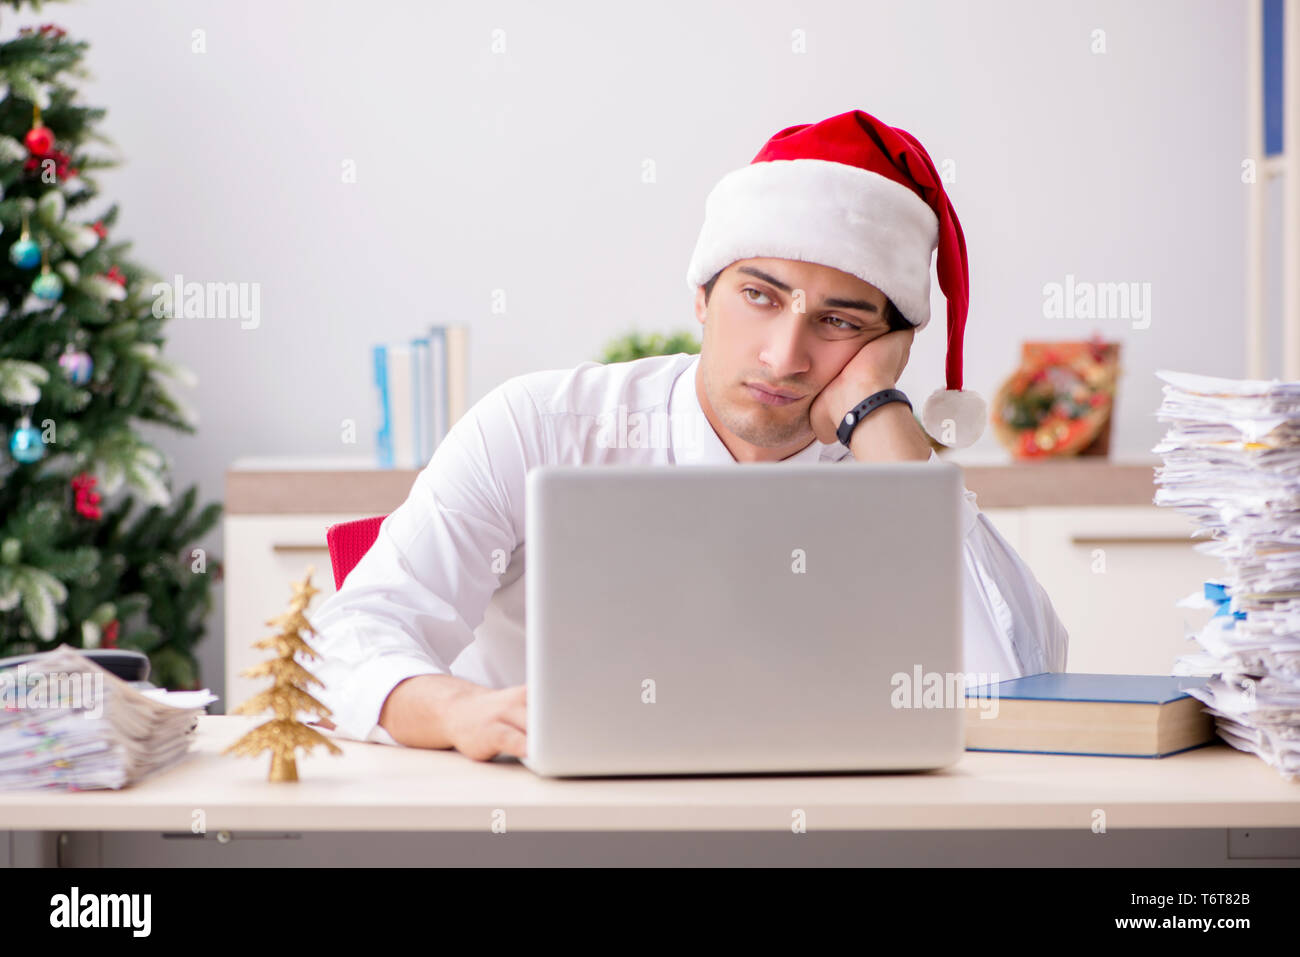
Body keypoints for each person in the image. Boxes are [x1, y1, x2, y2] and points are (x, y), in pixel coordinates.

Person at [305, 109, 1069, 761]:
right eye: (758, 295)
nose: (783, 355)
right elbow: (355, 633)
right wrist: (456, 711)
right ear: (702, 295)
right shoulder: (539, 427)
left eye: (839, 320)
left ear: (889, 345)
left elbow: (1018, 698)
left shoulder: (881, 458)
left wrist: (885, 426)